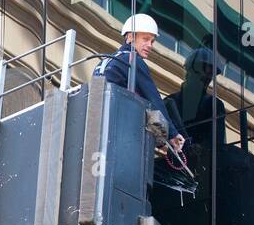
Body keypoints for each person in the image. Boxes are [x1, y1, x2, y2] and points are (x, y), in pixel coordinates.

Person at [95, 14, 185, 153]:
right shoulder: (132, 60)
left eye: (152, 41)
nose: (149, 45)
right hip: (118, 129)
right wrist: (172, 134)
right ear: (130, 37)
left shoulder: (105, 61)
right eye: (145, 39)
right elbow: (153, 99)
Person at [167, 46, 228, 148]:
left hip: (201, 161)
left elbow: (217, 145)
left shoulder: (214, 105)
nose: (207, 78)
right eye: (203, 72)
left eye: (210, 74)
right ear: (190, 71)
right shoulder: (170, 102)